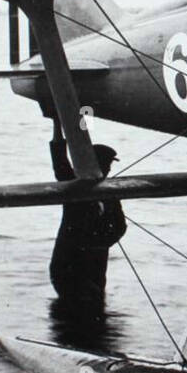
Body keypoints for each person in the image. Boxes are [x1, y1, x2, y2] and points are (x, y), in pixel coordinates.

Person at [48, 118, 126, 311]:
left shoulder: (110, 194)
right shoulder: (74, 183)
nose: (108, 169)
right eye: (106, 165)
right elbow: (59, 159)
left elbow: (120, 226)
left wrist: (100, 242)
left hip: (95, 270)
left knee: (94, 314)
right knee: (73, 314)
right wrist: (58, 124)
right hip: (68, 268)